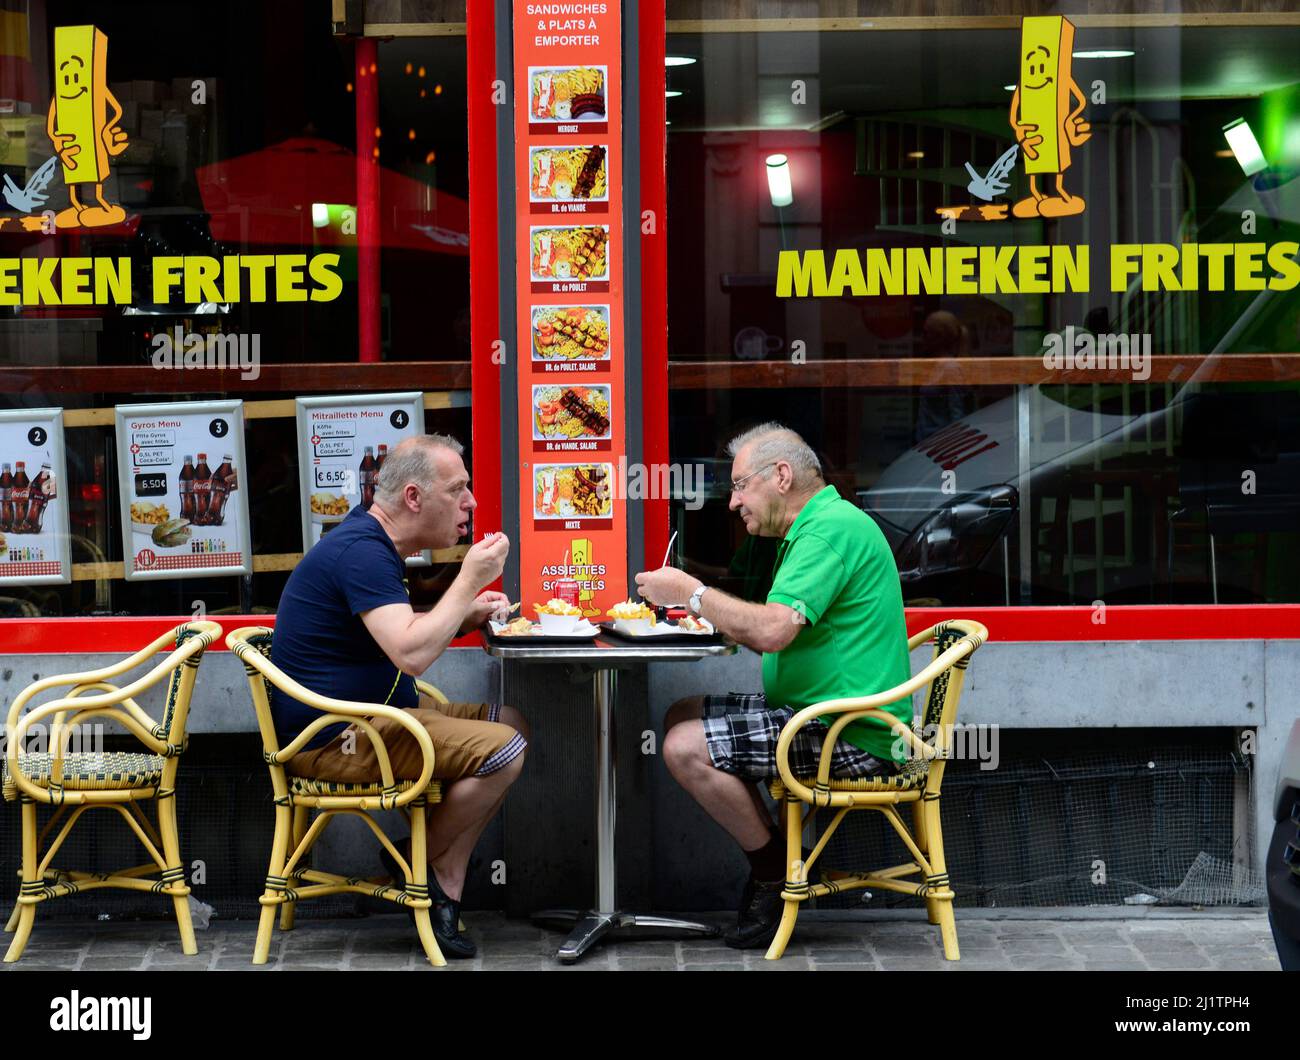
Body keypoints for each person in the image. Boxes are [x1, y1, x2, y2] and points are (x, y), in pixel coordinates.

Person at [635, 423, 912, 949]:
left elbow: (771, 630)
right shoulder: (811, 528)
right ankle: (780, 850)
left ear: (781, 476)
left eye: (740, 485)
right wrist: (707, 608)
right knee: (681, 713)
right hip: (814, 713)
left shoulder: (828, 532)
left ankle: (774, 873)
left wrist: (692, 593)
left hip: (848, 733)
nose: (733, 502)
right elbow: (771, 631)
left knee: (682, 746)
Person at [270, 434, 529, 958]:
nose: (472, 503)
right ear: (414, 497)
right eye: (459, 489)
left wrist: (465, 614)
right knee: (506, 750)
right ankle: (419, 870)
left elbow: (399, 629)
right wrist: (469, 580)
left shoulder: (371, 544)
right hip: (336, 737)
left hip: (379, 717)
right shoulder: (362, 552)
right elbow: (411, 653)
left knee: (513, 722)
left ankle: (440, 871)